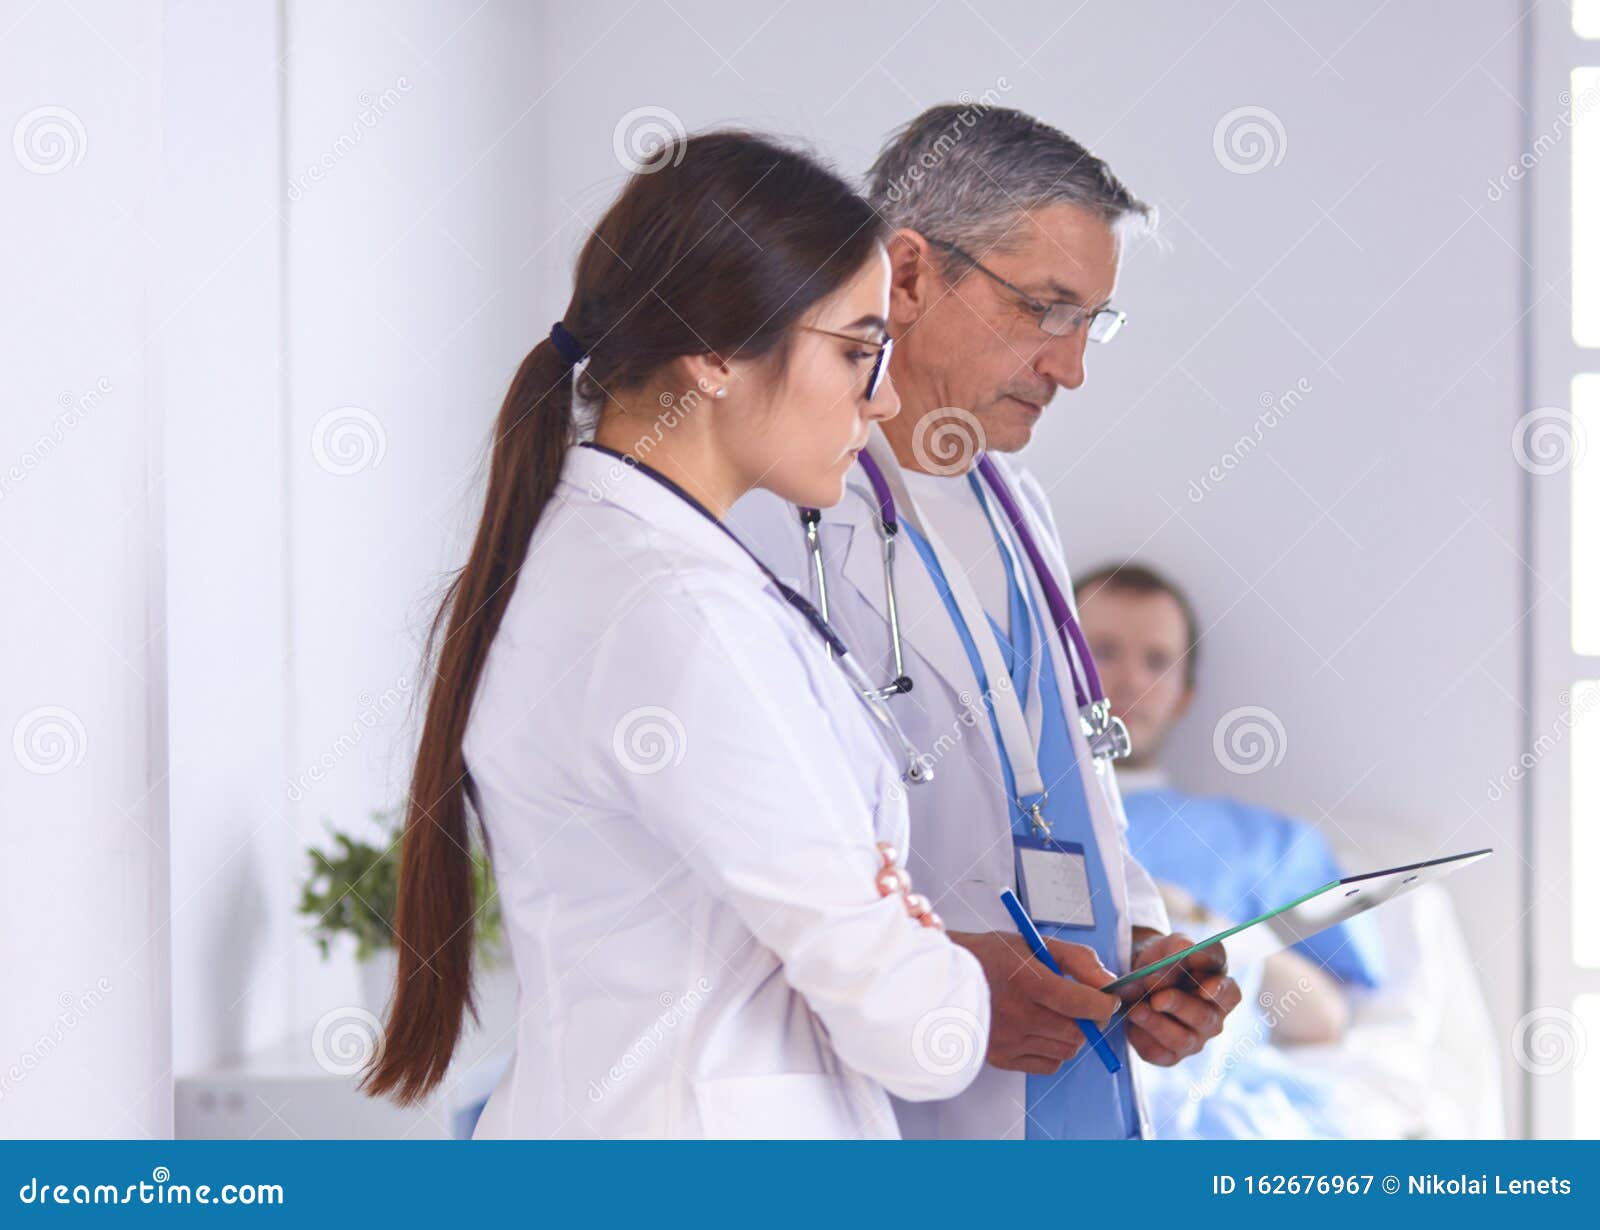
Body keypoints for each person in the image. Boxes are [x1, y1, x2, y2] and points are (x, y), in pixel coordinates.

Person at [361, 131, 990, 1139]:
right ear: (715, 351)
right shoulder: (680, 615)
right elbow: (922, 1037)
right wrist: (939, 969)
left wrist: (899, 935)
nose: (885, 397)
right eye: (856, 350)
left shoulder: (609, 563)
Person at [729, 106, 1240, 1141]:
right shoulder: (773, 518)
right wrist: (946, 984)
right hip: (910, 1104)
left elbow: (1066, 784)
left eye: (1092, 322)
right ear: (910, 276)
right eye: (1046, 310)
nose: (1071, 367)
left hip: (1080, 1085)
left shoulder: (1018, 507)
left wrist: (1144, 944)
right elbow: (743, 873)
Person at [1074, 562, 1385, 1022]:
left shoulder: (1266, 845)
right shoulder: (993, 822)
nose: (1132, 682)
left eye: (1157, 662)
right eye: (1103, 651)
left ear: (1185, 696)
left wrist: (1196, 926)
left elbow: (1327, 1018)